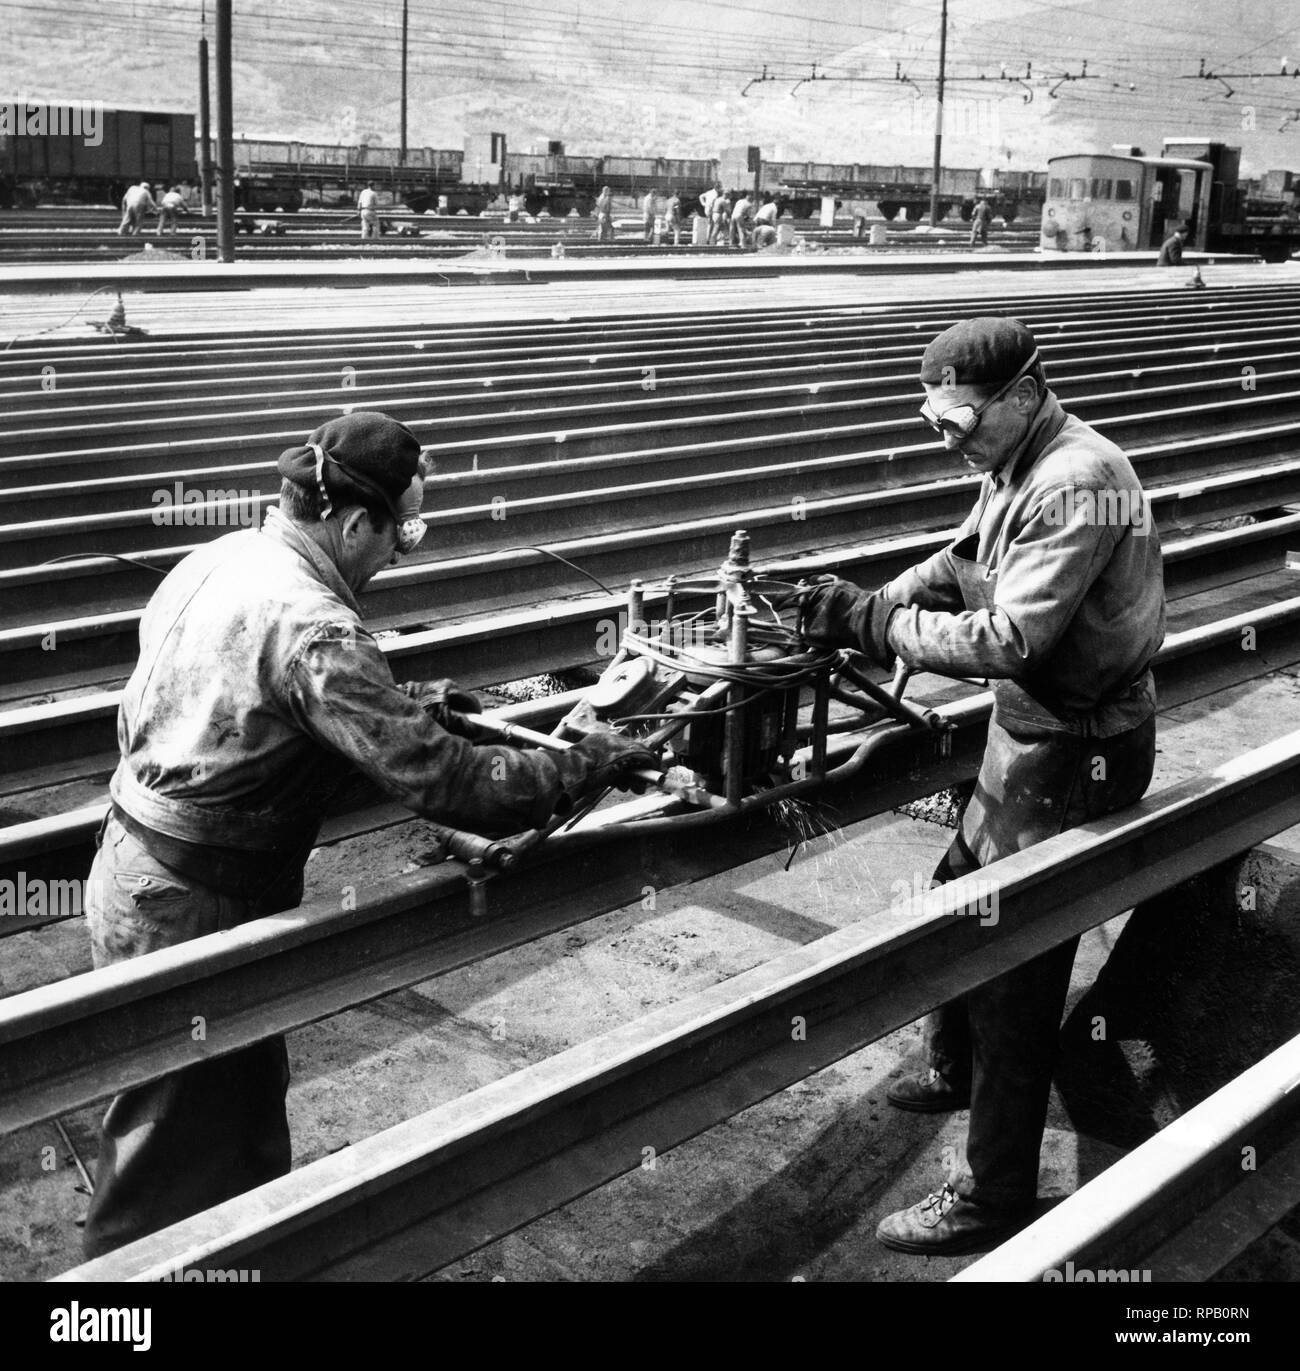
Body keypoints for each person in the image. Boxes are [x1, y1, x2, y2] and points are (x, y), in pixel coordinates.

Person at [81, 411, 657, 1258]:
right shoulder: (318, 627)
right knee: (162, 1154)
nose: (395, 558)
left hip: (139, 864)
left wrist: (398, 708)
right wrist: (584, 764)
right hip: (194, 901)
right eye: (399, 536)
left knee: (233, 1118)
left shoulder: (222, 559)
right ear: (355, 523)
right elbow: (451, 783)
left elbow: (239, 713)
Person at [776, 317, 1165, 1254]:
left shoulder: (1075, 480)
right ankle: (954, 1067)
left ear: (1024, 394)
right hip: (1027, 737)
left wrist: (874, 627)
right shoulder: (1018, 459)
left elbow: (1008, 640)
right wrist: (869, 602)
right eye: (935, 419)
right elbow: (959, 567)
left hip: (1077, 751)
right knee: (957, 893)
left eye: (961, 419)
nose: (946, 438)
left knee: (1012, 972)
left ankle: (992, 1195)